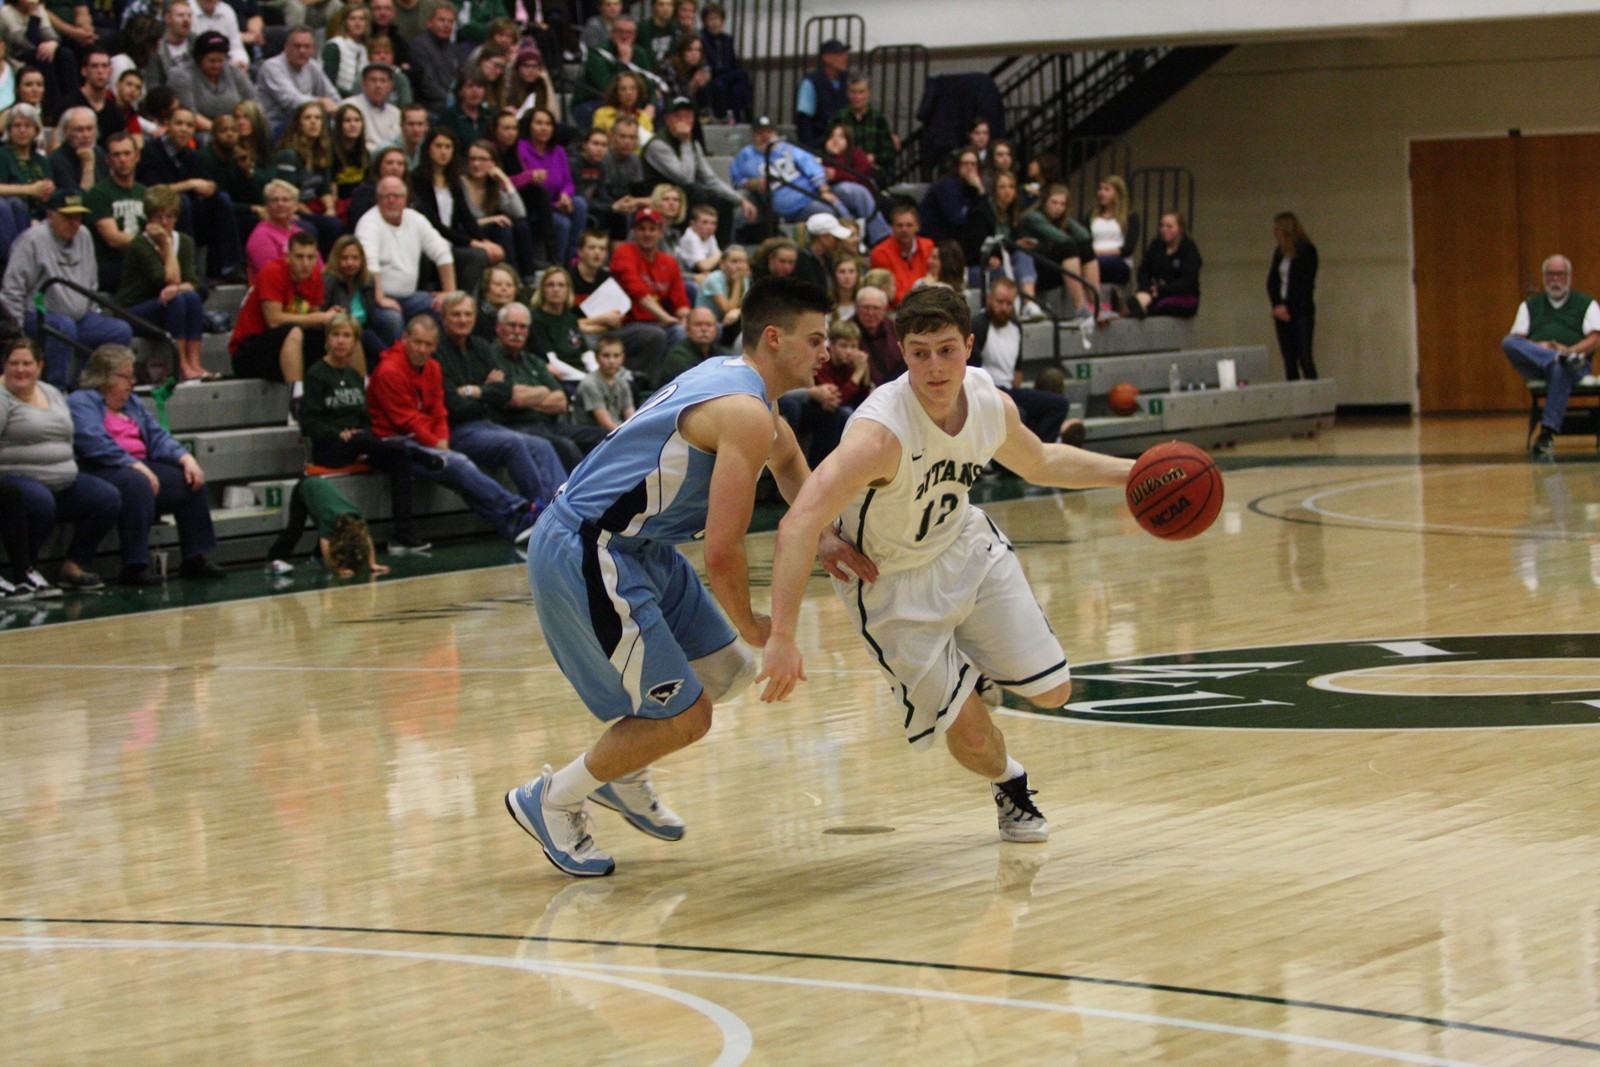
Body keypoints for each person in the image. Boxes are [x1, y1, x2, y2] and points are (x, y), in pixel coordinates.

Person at [503, 276, 870, 878]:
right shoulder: (744, 413)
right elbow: (722, 553)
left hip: (640, 545)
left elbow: (788, 462)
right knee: (687, 715)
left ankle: (621, 771)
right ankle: (551, 799)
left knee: (725, 670)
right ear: (774, 338)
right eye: (815, 339)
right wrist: (755, 624)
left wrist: (825, 533)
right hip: (589, 548)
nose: (825, 352)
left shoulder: (747, 392)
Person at [759, 285, 1137, 846]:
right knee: (977, 742)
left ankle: (972, 669)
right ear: (901, 352)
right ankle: (1010, 783)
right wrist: (783, 636)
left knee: (1055, 692)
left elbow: (1041, 461)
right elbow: (797, 524)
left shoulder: (987, 400)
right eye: (919, 353)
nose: (935, 368)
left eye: (946, 350)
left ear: (969, 345)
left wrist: (1133, 471)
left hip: (964, 549)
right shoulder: (879, 434)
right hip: (889, 583)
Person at [366, 315, 540, 543]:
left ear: (435, 346)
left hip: (425, 439)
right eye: (417, 342)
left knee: (458, 469)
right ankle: (519, 508)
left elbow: (439, 411)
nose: (422, 349)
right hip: (395, 442)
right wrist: (437, 444)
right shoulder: (389, 371)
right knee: (457, 463)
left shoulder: (433, 367)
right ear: (405, 338)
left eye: (428, 344)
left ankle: (514, 525)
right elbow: (406, 421)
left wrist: (443, 440)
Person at [68, 343, 227, 585]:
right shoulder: (81, 402)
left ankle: (194, 558)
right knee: (137, 484)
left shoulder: (132, 403)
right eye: (126, 376)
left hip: (140, 466)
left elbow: (157, 437)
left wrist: (186, 459)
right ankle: (134, 565)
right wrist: (134, 464)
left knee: (190, 481)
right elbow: (94, 443)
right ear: (105, 376)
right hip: (103, 468)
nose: (132, 382)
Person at [297, 311, 437, 553]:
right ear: (327, 339)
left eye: (347, 336)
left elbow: (365, 417)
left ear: (354, 342)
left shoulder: (354, 376)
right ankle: (416, 453)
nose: (341, 341)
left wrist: (363, 435)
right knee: (364, 440)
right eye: (336, 335)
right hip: (330, 448)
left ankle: (402, 535)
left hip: (359, 444)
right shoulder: (316, 374)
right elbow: (309, 422)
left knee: (398, 461)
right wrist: (337, 433)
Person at [0, 338, 117, 595]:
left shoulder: (51, 392)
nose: (20, 369)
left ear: (40, 365)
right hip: (16, 479)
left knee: (106, 498)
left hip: (63, 480)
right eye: (14, 363)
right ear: (4, 365)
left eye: (27, 363)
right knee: (40, 501)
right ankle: (26, 570)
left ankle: (74, 565)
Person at [436, 290, 566, 507]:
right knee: (514, 443)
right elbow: (455, 405)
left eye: (468, 314)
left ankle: (565, 507)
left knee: (542, 446)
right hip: (456, 429)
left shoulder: (480, 347)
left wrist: (474, 391)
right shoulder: (437, 351)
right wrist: (487, 392)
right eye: (456, 314)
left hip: (485, 424)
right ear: (444, 318)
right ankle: (545, 511)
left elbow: (505, 390)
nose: (463, 320)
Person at [2, 190, 133, 389]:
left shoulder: (84, 235)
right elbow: (13, 289)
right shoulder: (31, 240)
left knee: (119, 331)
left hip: (79, 318)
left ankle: (85, 386)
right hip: (36, 317)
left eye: (78, 217)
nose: (74, 223)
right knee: (63, 327)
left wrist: (92, 310)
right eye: (67, 217)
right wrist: (17, 335)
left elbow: (91, 281)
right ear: (50, 215)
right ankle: (57, 390)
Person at [488, 296, 607, 469]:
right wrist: (544, 392)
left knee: (604, 437)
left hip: (549, 425)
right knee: (566, 447)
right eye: (512, 325)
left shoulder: (533, 361)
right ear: (498, 327)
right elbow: (513, 397)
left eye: (523, 327)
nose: (517, 331)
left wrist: (525, 397)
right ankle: (578, 488)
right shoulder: (489, 357)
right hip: (514, 426)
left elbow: (561, 402)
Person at [1503, 254, 1600, 458]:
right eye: (1550, 274)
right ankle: (1555, 357)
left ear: (1569, 277)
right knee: (1509, 342)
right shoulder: (1529, 306)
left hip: (1576, 364)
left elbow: (1595, 340)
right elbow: (1518, 341)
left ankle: (1547, 433)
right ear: (1543, 277)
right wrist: (1542, 348)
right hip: (1537, 366)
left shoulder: (1586, 303)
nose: (1555, 279)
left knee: (1560, 368)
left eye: (1560, 274)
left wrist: (1570, 351)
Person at [135, 105, 245, 283]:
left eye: (189, 125)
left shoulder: (190, 154)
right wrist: (190, 184)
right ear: (168, 125)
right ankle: (189, 268)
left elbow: (207, 181)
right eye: (179, 124)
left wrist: (210, 186)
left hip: (192, 217)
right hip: (160, 215)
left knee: (222, 199)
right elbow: (152, 190)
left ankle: (229, 266)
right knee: (182, 201)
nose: (184, 129)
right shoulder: (152, 151)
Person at [971, 275, 1081, 447]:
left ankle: (1042, 450)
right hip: (987, 392)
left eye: (1009, 303)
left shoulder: (1016, 327)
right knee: (1018, 414)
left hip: (1010, 391)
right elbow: (972, 374)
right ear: (989, 299)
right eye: (1000, 302)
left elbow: (1017, 370)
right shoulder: (978, 325)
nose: (1004, 308)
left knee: (1059, 404)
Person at [729, 116, 881, 240]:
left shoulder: (788, 147)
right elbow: (736, 180)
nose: (765, 137)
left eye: (769, 132)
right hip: (795, 207)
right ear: (753, 135)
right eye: (760, 133)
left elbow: (811, 167)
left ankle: (879, 236)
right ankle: (853, 239)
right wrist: (753, 183)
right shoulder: (745, 156)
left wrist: (824, 190)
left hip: (813, 191)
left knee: (856, 192)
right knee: (829, 210)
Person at [116, 184, 209, 382]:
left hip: (165, 304)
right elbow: (168, 279)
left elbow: (191, 281)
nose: (164, 223)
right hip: (134, 310)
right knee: (177, 300)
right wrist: (166, 244)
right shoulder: (140, 245)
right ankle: (180, 365)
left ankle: (194, 363)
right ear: (149, 218)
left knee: (191, 298)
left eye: (169, 217)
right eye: (158, 217)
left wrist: (179, 287)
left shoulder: (184, 241)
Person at [641, 95, 754, 238]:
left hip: (682, 191)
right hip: (659, 192)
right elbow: (686, 178)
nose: (683, 121)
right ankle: (690, 240)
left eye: (687, 116)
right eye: (678, 116)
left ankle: (721, 248)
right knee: (695, 191)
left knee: (723, 202)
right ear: (668, 119)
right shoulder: (658, 144)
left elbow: (709, 178)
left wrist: (740, 199)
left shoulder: (693, 144)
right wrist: (685, 142)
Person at [230, 229, 330, 385]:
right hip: (249, 350)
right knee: (293, 331)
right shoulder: (273, 272)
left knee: (341, 330)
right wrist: (318, 317)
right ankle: (296, 395)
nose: (305, 263)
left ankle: (355, 389)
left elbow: (314, 321)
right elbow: (274, 320)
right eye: (299, 257)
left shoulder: (315, 275)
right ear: (288, 257)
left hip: (288, 345)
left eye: (310, 257)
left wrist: (331, 318)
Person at [355, 174, 459, 321]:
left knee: (446, 307)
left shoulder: (415, 219)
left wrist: (449, 292)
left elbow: (441, 251)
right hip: (376, 299)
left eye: (396, 196)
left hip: (411, 297)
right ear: (377, 199)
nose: (391, 200)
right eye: (386, 196)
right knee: (393, 319)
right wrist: (380, 298)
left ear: (405, 199)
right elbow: (370, 264)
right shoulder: (368, 223)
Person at [410, 125, 498, 294]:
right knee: (477, 253)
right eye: (438, 146)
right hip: (428, 245)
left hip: (451, 243)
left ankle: (465, 300)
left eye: (448, 147)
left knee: (483, 254)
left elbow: (466, 216)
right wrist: (472, 242)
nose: (443, 152)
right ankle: (457, 299)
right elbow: (433, 223)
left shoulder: (453, 179)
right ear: (428, 149)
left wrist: (484, 241)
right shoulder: (418, 179)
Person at [776, 315, 869, 467]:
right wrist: (858, 375)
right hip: (809, 406)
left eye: (853, 347)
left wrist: (864, 375)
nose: (849, 351)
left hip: (831, 409)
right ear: (831, 345)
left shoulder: (856, 364)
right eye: (844, 346)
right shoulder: (823, 362)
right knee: (840, 413)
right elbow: (836, 398)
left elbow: (863, 398)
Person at [611, 205, 690, 378]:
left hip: (658, 323)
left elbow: (681, 301)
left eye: (652, 229)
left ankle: (671, 381)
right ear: (634, 231)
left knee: (681, 332)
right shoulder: (624, 252)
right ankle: (646, 381)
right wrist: (666, 318)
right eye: (642, 229)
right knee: (657, 334)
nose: (647, 234)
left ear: (661, 232)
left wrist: (685, 319)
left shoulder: (669, 262)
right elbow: (637, 291)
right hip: (628, 324)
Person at [264, 474, 391, 578]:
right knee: (295, 529)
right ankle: (274, 559)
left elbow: (367, 538)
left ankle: (317, 557)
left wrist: (372, 564)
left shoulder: (357, 516)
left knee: (325, 529)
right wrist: (338, 569)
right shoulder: (330, 519)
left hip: (321, 491)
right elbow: (325, 543)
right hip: (305, 487)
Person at [514, 105, 586, 264]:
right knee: (562, 223)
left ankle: (574, 255)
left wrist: (565, 195)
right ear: (529, 126)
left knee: (580, 203)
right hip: (537, 207)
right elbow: (530, 191)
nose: (544, 128)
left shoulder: (559, 151)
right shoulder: (520, 149)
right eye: (539, 123)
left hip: (558, 201)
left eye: (548, 124)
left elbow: (568, 182)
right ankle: (557, 264)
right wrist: (555, 205)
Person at [460, 137, 537, 279]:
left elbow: (519, 212)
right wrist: (490, 220)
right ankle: (511, 277)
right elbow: (459, 223)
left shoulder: (492, 187)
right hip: (466, 233)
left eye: (483, 159)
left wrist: (504, 180)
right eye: (472, 159)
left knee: (521, 226)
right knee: (502, 228)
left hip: (485, 232)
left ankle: (528, 277)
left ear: (493, 163)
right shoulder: (460, 185)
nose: (476, 164)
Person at [272, 100, 341, 253]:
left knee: (334, 223)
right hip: (292, 210)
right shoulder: (288, 155)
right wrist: (315, 215)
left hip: (311, 207)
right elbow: (289, 194)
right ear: (298, 123)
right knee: (314, 228)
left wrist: (330, 209)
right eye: (308, 118)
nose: (313, 122)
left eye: (318, 118)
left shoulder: (320, 152)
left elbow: (325, 189)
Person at [84, 130, 145, 292]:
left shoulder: (144, 192)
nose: (122, 160)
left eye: (127, 153)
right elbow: (113, 238)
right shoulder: (99, 193)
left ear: (137, 156)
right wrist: (150, 242)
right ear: (108, 160)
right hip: (112, 266)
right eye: (116, 155)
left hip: (142, 262)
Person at [325, 232, 400, 354]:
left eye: (355, 258)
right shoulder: (329, 281)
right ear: (336, 259)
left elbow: (371, 317)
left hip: (364, 330)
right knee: (382, 352)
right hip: (342, 335)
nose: (350, 263)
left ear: (362, 260)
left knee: (392, 321)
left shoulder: (369, 280)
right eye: (344, 258)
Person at [919, 147, 988, 276]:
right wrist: (979, 193)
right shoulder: (947, 186)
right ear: (957, 166)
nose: (969, 168)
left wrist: (980, 191)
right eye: (965, 164)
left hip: (957, 241)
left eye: (973, 164)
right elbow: (957, 219)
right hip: (939, 239)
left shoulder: (972, 187)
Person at [257, 26, 339, 132]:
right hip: (277, 125)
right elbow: (291, 101)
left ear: (313, 49)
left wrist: (340, 110)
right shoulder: (272, 66)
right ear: (286, 47)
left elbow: (332, 95)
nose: (302, 50)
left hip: (305, 123)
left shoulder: (312, 65)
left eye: (307, 46)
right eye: (297, 46)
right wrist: (321, 102)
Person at [1269, 211, 1319, 382]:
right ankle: (1293, 396)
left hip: (1301, 311)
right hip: (1282, 312)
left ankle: (1313, 394)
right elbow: (1272, 281)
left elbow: (1305, 285)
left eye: (1277, 229)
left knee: (1305, 358)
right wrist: (1277, 305)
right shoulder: (1279, 253)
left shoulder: (1307, 251)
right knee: (1289, 360)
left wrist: (1288, 306)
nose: (1274, 233)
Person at [168, 30, 254, 130]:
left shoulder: (233, 71)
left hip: (235, 128)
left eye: (220, 61)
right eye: (211, 61)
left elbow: (253, 101)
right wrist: (221, 131)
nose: (216, 65)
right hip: (200, 131)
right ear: (199, 58)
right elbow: (189, 113)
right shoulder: (181, 75)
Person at [1134, 211, 1201, 318]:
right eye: (1162, 226)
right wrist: (1147, 288)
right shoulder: (1156, 245)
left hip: (1183, 296)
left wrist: (1162, 289)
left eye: (1169, 227)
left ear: (1181, 229)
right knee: (1138, 301)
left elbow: (1188, 281)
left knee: (1157, 307)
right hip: (1157, 292)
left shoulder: (1188, 248)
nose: (1164, 230)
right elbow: (1143, 271)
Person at [829, 77, 896, 184]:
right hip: (845, 170)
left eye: (861, 92)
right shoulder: (839, 118)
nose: (857, 97)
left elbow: (889, 150)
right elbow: (829, 147)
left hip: (872, 172)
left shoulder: (878, 119)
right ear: (848, 93)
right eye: (853, 92)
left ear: (868, 93)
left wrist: (875, 158)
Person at [868, 202, 933, 307]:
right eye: (899, 225)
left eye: (909, 225)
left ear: (917, 226)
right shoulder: (880, 253)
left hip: (926, 305)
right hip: (896, 310)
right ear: (892, 227)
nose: (904, 230)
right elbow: (890, 293)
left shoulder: (928, 247)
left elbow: (934, 278)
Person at [592, 115, 647, 239]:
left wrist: (635, 202)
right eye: (623, 136)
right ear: (612, 137)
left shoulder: (635, 160)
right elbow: (603, 194)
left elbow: (639, 191)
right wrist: (623, 205)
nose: (627, 141)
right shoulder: (603, 157)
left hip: (626, 204)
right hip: (604, 204)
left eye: (631, 137)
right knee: (619, 217)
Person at [244, 178, 310, 279]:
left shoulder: (301, 233)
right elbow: (271, 275)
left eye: (285, 200)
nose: (280, 204)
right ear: (267, 206)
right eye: (275, 200)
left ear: (296, 206)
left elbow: (319, 268)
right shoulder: (261, 236)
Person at [0, 103, 55, 222]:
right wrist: (29, 189)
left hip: (41, 217)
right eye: (17, 126)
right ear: (9, 130)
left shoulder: (41, 160)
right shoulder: (3, 155)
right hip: (12, 215)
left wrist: (48, 189)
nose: (22, 130)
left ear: (36, 130)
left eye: (28, 126)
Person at [697, 1, 750, 122]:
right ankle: (721, 117)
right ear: (704, 22)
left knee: (742, 80)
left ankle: (743, 117)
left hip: (726, 74)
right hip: (713, 75)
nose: (715, 23)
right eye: (711, 19)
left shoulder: (727, 39)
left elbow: (733, 62)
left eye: (717, 19)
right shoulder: (702, 38)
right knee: (718, 85)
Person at [63, 48, 128, 145]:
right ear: (84, 71)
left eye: (104, 66)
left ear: (110, 71)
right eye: (94, 66)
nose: (100, 71)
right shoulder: (68, 105)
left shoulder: (115, 112)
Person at [1089, 174, 1139, 298]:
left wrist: (1098, 253)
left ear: (1118, 193)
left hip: (1119, 261)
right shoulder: (1091, 215)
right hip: (1093, 258)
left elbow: (1128, 249)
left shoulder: (1130, 217)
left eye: (1107, 189)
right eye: (1100, 189)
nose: (1101, 193)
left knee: (1096, 263)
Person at [406, 1, 461, 116]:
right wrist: (451, 101)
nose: (446, 25)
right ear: (429, 22)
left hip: (452, 104)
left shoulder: (453, 49)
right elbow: (427, 84)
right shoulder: (419, 46)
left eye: (450, 22)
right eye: (441, 20)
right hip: (430, 107)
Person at [795, 38, 848, 151]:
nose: (844, 58)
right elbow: (804, 121)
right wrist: (811, 149)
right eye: (839, 54)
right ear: (825, 58)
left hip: (845, 144)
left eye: (845, 54)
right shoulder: (812, 82)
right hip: (820, 143)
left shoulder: (847, 80)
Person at [573, 332, 634, 430]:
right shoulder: (590, 383)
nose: (611, 361)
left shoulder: (622, 383)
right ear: (597, 357)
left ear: (622, 357)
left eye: (616, 356)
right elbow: (605, 424)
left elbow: (631, 417)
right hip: (592, 431)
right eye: (606, 356)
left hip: (616, 429)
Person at [656, 304, 723, 386]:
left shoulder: (720, 354)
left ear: (716, 330)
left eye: (709, 325)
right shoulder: (677, 356)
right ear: (687, 329)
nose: (704, 329)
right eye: (698, 324)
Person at [47, 106, 105, 196]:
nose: (86, 135)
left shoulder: (100, 153)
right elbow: (78, 198)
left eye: (89, 129)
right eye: (79, 130)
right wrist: (88, 165)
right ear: (65, 132)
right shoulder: (56, 160)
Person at [344, 62, 400, 152]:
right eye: (373, 80)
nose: (378, 85)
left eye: (383, 81)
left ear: (390, 86)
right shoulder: (350, 106)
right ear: (363, 84)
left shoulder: (396, 113)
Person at [853, 284, 902, 385]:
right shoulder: (846, 331)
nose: (870, 313)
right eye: (865, 307)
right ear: (857, 307)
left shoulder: (895, 329)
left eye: (876, 308)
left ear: (885, 309)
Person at [321, 4, 370, 99]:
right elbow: (328, 82)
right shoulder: (335, 45)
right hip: (337, 98)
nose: (357, 23)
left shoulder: (363, 49)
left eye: (361, 19)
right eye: (352, 19)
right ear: (345, 23)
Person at [795, 211, 850, 292]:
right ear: (823, 237)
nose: (838, 241)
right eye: (835, 237)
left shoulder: (828, 259)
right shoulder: (803, 260)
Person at [590, 70, 655, 137]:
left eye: (633, 89)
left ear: (639, 92)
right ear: (616, 93)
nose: (628, 93)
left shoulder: (644, 118)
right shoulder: (602, 114)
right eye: (623, 89)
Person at [676, 202, 720, 284]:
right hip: (685, 277)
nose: (709, 227)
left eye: (713, 223)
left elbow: (717, 261)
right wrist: (721, 254)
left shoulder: (709, 236)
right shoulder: (690, 237)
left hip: (699, 275)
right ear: (692, 224)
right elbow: (704, 266)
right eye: (704, 222)